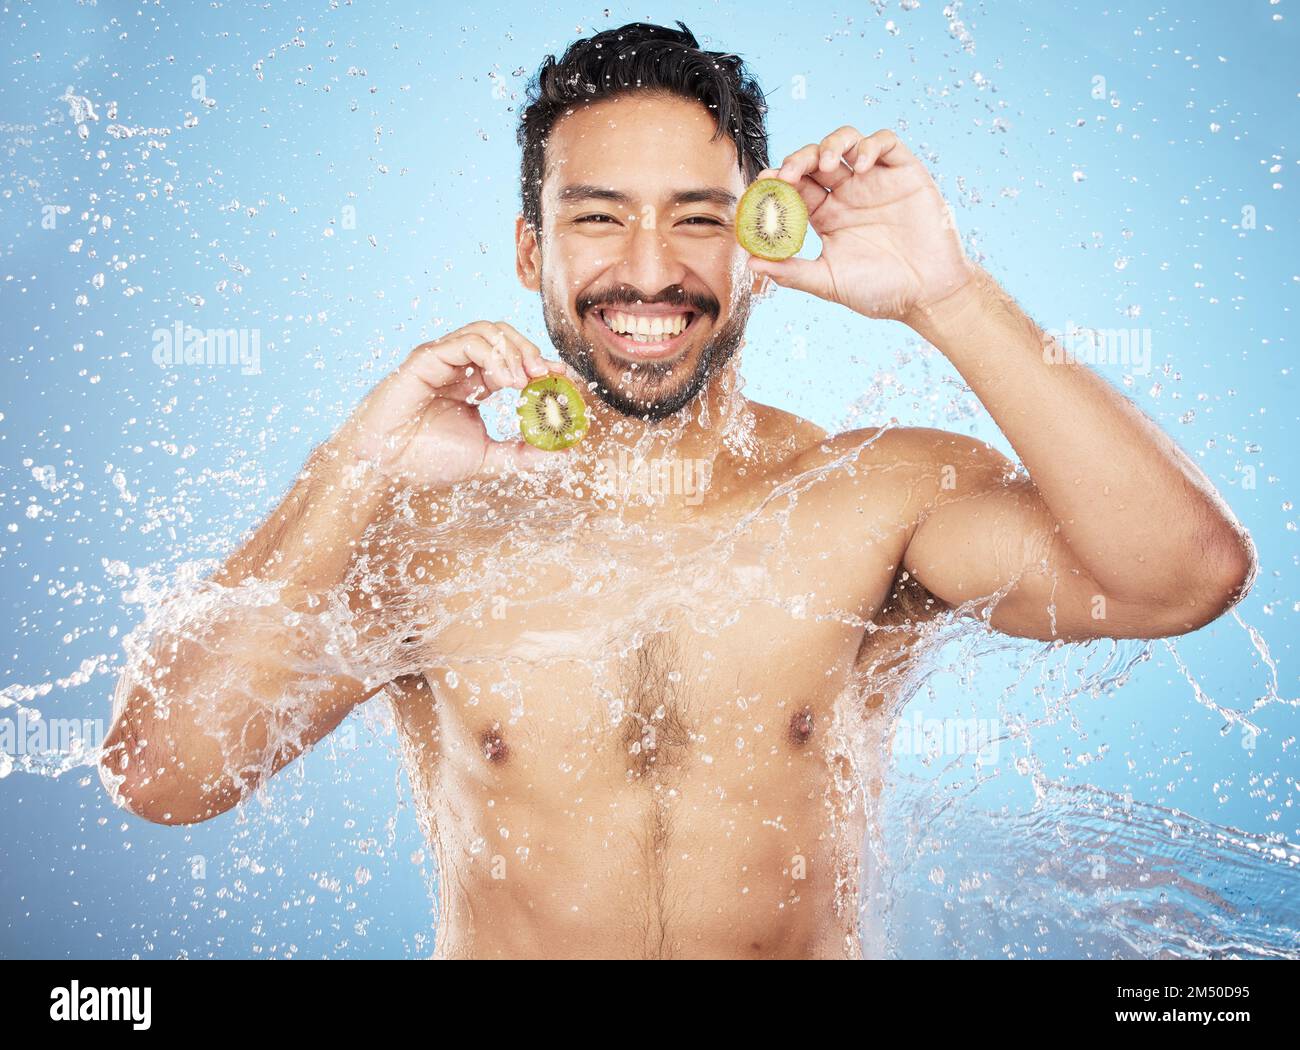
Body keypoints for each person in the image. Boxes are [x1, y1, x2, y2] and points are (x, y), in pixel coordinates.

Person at [99, 21, 1255, 959]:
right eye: (596, 218)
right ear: (527, 253)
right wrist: (354, 460)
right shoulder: (428, 533)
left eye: (698, 220)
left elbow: (1181, 579)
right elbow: (163, 776)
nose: (649, 271)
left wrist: (943, 296)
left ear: (759, 242)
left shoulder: (870, 492)